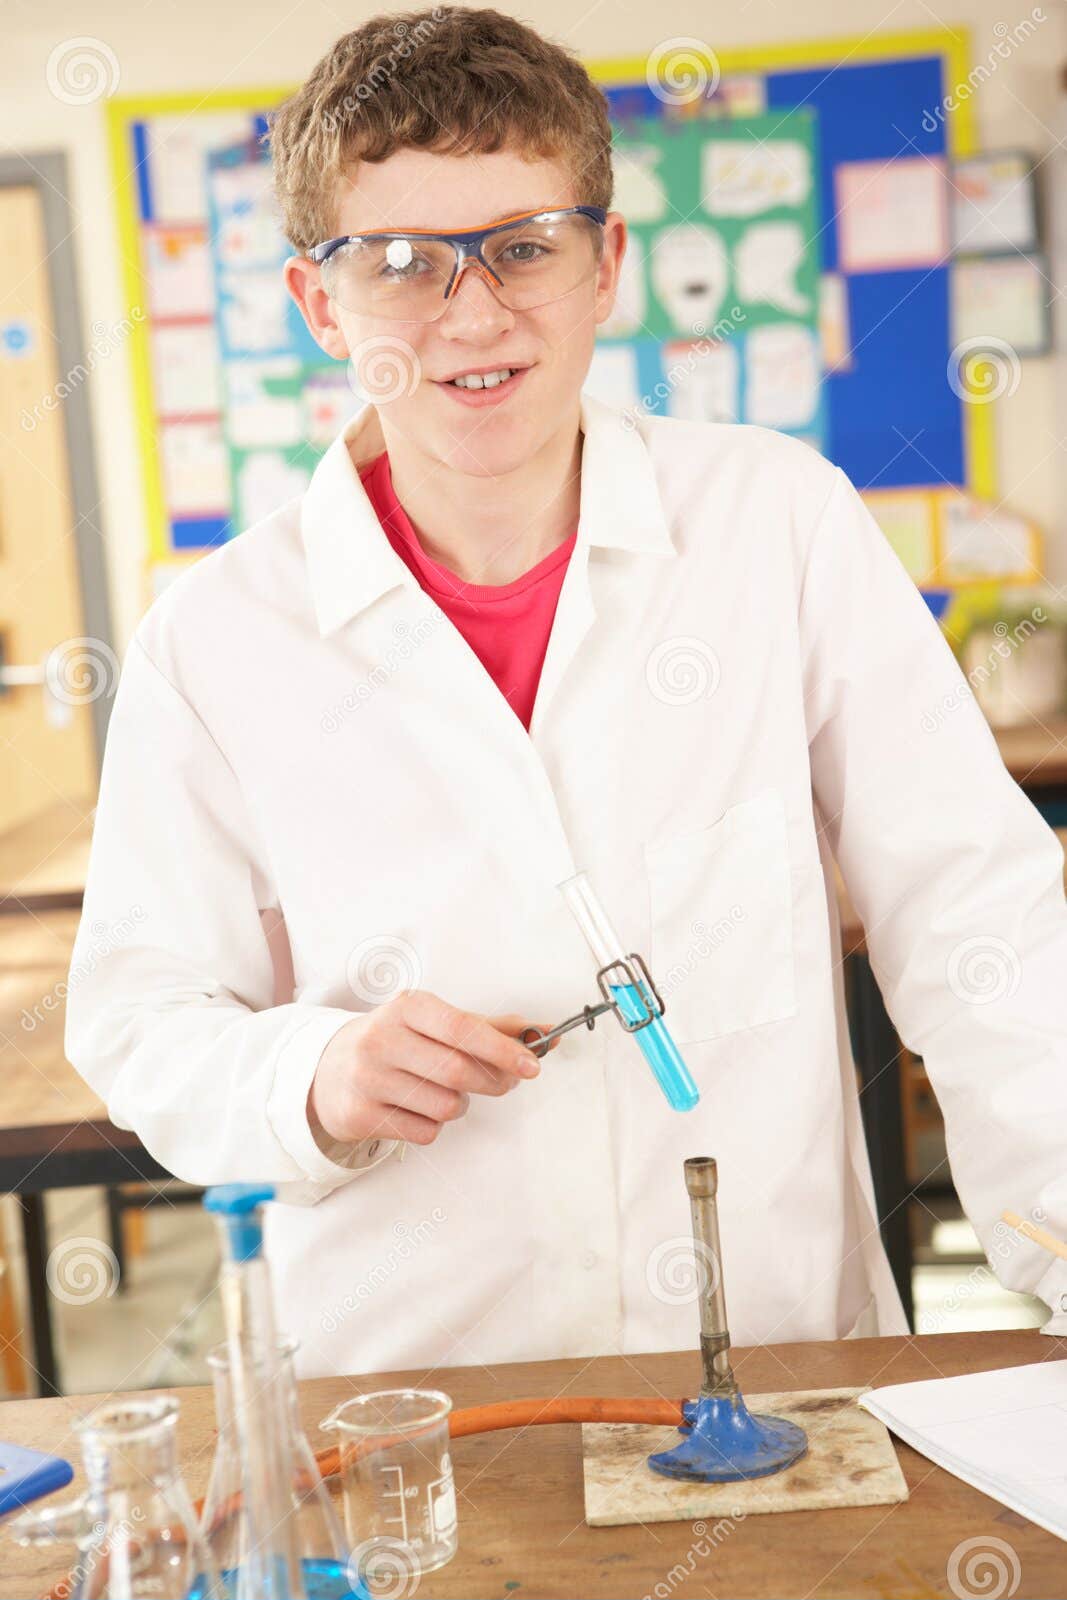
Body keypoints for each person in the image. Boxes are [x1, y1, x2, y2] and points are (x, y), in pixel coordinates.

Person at [66, 7, 1067, 1378]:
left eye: (523, 246)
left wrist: (1060, 1247)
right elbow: (141, 1018)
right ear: (320, 304)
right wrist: (314, 1076)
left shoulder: (778, 524)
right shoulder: (216, 640)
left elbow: (976, 914)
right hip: (413, 1404)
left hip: (774, 1364)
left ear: (606, 264)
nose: (472, 313)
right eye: (402, 263)